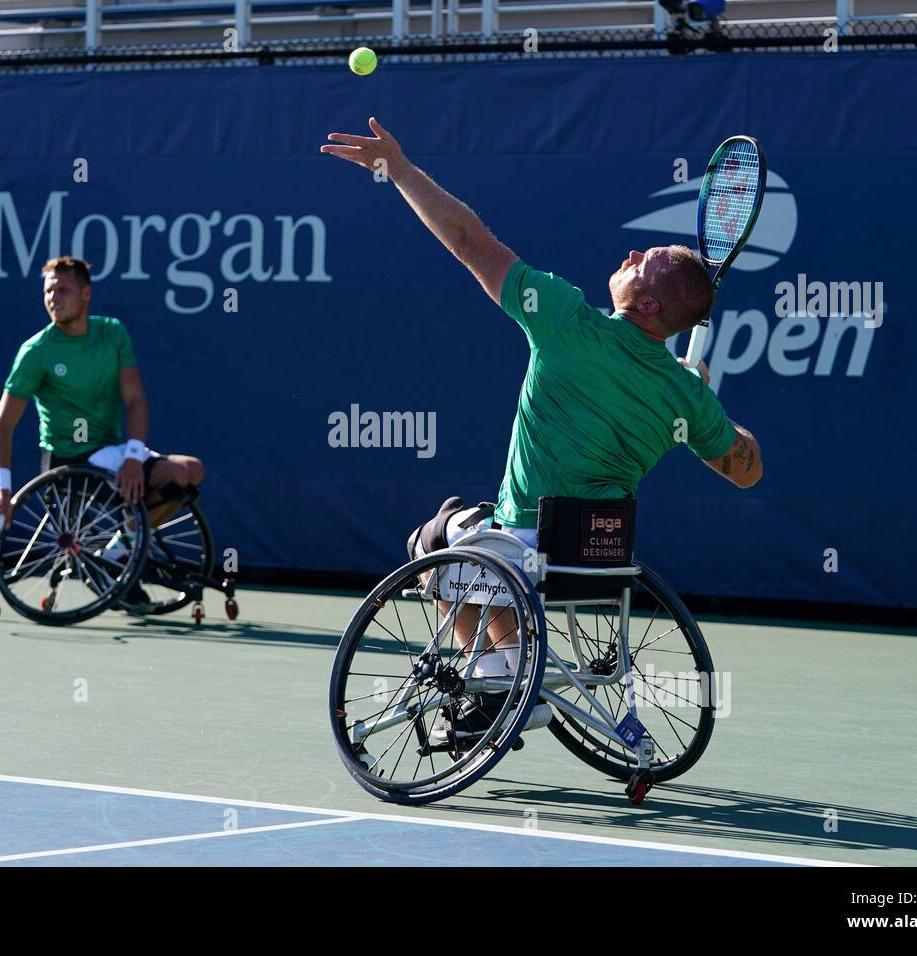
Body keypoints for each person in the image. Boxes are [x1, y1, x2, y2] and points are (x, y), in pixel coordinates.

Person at [321, 118, 763, 741]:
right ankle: (506, 678)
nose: (632, 255)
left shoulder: (565, 320)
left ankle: (503, 681)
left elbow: (468, 239)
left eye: (645, 263)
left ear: (651, 306)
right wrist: (706, 405)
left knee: (437, 534)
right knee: (477, 532)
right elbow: (745, 468)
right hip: (602, 561)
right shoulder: (683, 395)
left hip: (526, 549)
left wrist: (398, 168)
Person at [0, 256, 205, 613]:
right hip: (69, 461)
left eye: (63, 290)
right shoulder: (37, 352)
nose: (53, 298)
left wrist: (134, 457)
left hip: (111, 451)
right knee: (171, 477)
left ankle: (115, 554)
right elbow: (2, 424)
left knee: (189, 471)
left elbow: (135, 400)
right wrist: (3, 491)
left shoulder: (112, 332)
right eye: (48, 291)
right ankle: (120, 559)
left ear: (86, 294)